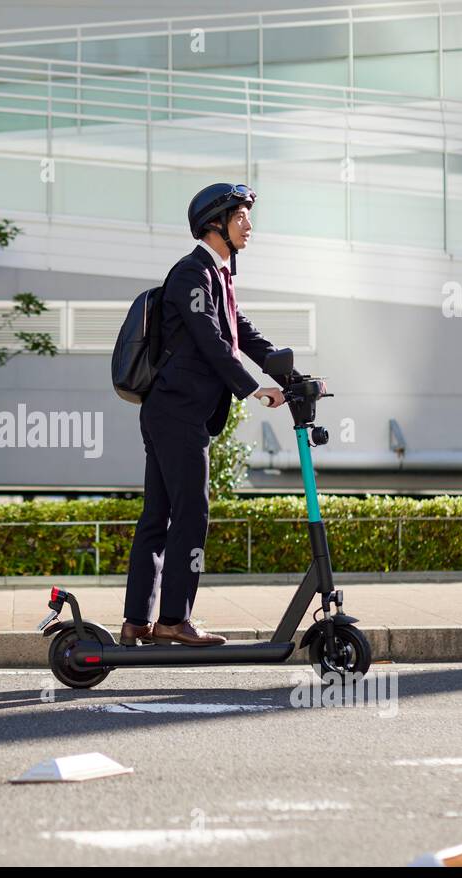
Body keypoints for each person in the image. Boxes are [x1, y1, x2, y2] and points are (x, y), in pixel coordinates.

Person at [120, 183, 288, 647]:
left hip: (173, 412)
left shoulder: (218, 277)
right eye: (241, 218)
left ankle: (137, 621)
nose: (249, 225)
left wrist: (286, 370)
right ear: (215, 224)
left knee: (157, 515)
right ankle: (173, 620)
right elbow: (212, 340)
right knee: (191, 513)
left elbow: (241, 333)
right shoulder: (191, 273)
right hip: (175, 413)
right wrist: (255, 390)